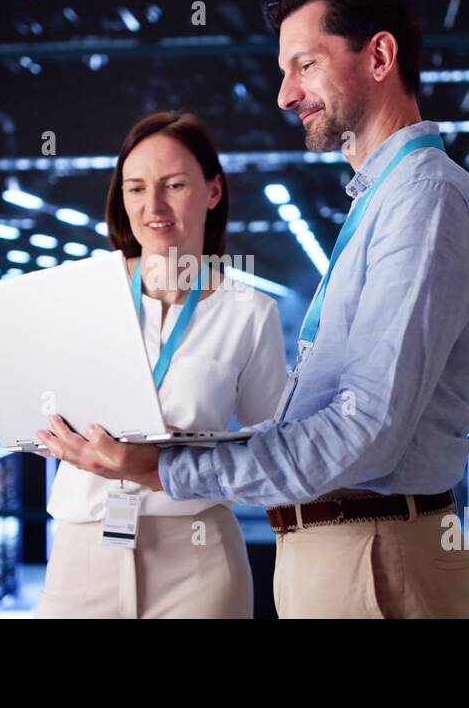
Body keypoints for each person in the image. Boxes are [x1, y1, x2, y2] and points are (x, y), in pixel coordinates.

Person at [38, 0, 469, 619]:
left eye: (305, 65)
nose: (286, 94)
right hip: (344, 552)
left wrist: (162, 468)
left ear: (379, 55)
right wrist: (154, 455)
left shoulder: (424, 199)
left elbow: (366, 429)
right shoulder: (385, 201)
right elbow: (298, 425)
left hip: (372, 555)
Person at [34, 111, 288, 619]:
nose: (153, 206)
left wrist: (162, 466)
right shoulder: (77, 294)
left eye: (174, 185)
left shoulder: (250, 314)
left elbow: (273, 456)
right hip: (84, 552)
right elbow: (38, 409)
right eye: (135, 188)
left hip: (197, 560)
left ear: (214, 191)